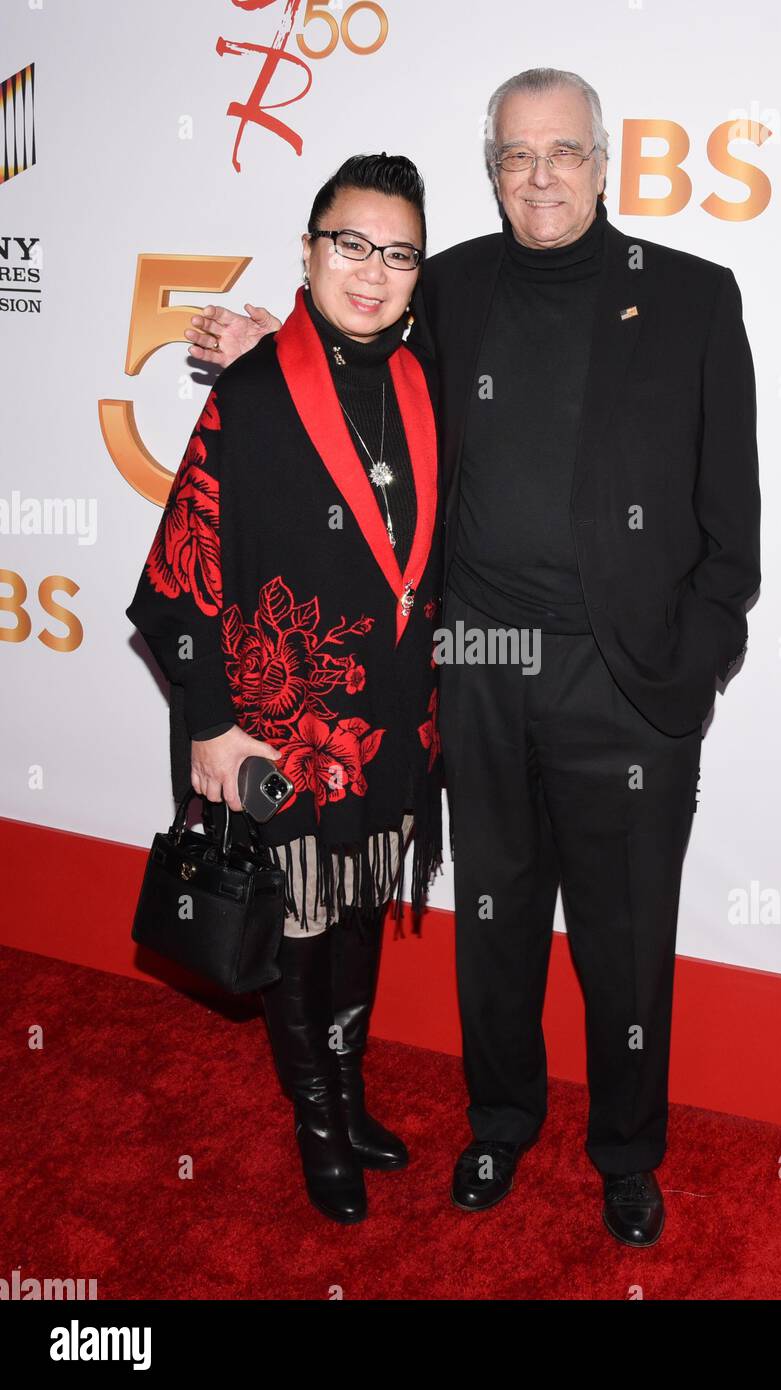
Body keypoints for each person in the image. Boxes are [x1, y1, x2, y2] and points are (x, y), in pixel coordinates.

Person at [185, 67, 761, 1248]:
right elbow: (355, 372)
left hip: (626, 685)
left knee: (627, 944)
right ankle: (499, 1120)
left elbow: (731, 520)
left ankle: (626, 1152)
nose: (539, 175)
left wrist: (691, 666)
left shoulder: (693, 297)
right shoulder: (447, 286)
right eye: (515, 155)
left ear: (604, 162)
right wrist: (269, 352)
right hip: (479, 673)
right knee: (496, 925)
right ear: (491, 169)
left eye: (562, 151)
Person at [127, 153, 443, 1225]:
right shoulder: (255, 396)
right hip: (278, 734)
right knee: (298, 926)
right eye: (351, 244)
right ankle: (316, 1121)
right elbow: (179, 580)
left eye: (399, 253)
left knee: (353, 919)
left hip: (389, 727)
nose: (373, 270)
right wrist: (211, 728)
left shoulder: (423, 384)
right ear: (308, 253)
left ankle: (347, 1096)